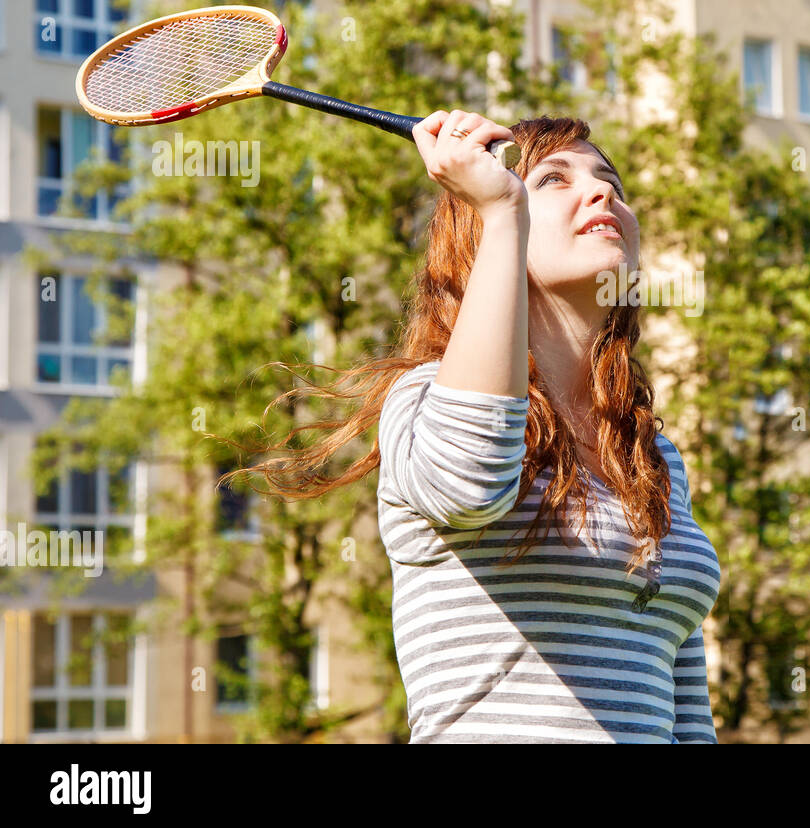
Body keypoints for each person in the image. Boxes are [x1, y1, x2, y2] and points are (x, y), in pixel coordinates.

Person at [232, 110, 720, 743]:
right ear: (483, 231)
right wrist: (500, 211)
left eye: (612, 183)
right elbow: (471, 479)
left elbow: (685, 708)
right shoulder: (422, 400)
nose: (603, 192)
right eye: (551, 180)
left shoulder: (652, 453)